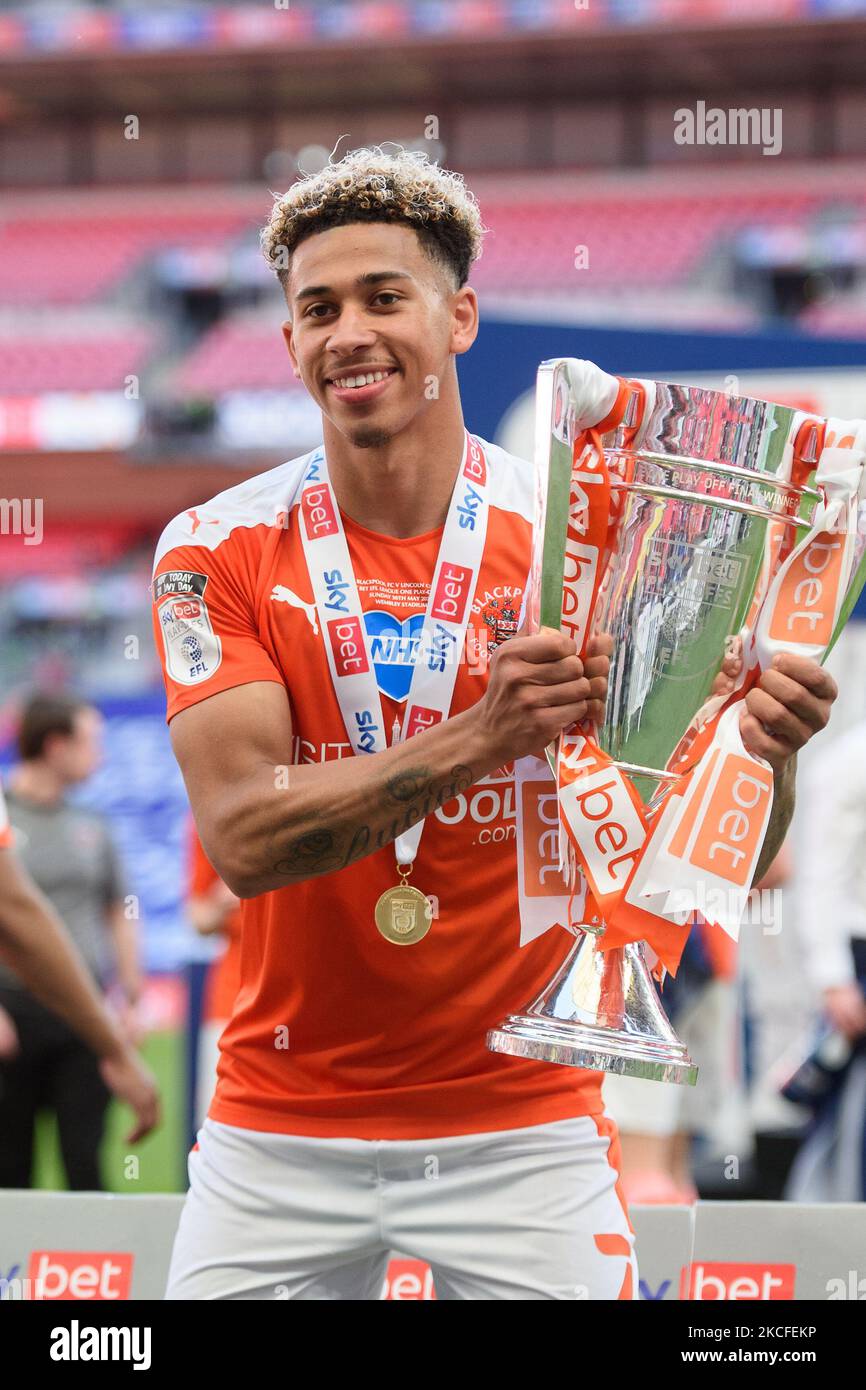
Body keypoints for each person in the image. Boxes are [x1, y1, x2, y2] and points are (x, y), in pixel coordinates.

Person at [151, 147, 837, 1300]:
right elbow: (244, 837)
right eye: (316, 310)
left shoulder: (592, 545)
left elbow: (713, 869)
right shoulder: (213, 548)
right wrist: (480, 735)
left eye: (384, 297)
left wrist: (769, 758)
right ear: (286, 345)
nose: (348, 334)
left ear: (458, 316)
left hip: (522, 1124)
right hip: (277, 1128)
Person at [0, 693, 147, 1189]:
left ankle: (93, 1267)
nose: (100, 755)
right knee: (8, 1169)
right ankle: (13, 1270)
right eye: (91, 743)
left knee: (85, 1161)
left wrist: (129, 996)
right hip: (11, 1014)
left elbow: (120, 910)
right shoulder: (5, 813)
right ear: (56, 745)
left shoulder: (93, 824)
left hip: (83, 1012)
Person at [185, 821, 242, 1130]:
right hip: (233, 999)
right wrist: (223, 902)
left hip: (304, 999)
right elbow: (198, 917)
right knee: (218, 1122)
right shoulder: (213, 819)